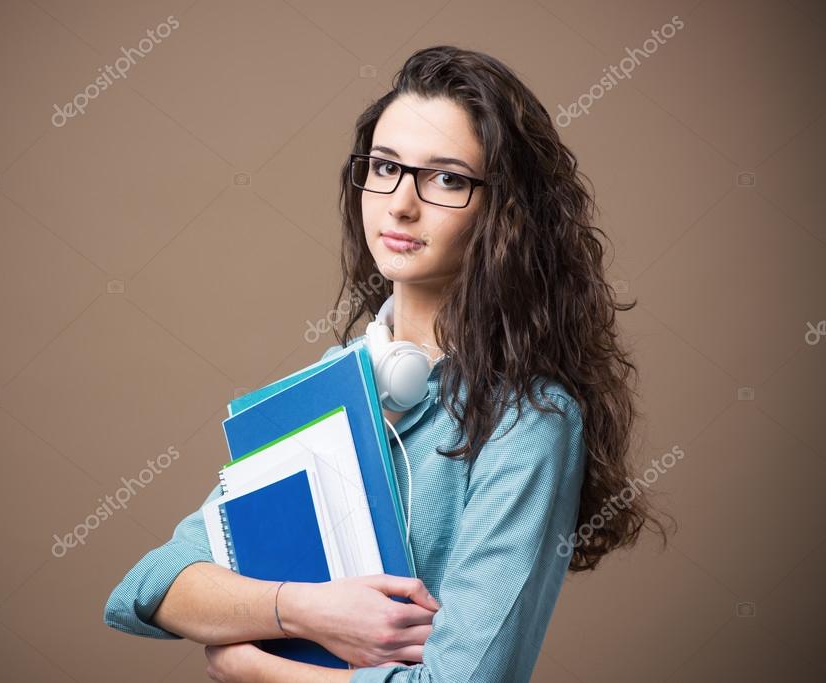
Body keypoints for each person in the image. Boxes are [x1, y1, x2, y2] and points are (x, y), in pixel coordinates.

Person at [104, 45, 669, 682]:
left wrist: (254, 668)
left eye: (448, 178)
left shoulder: (529, 420)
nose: (400, 204)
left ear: (504, 213)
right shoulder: (341, 382)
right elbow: (147, 589)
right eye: (385, 166)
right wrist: (306, 612)